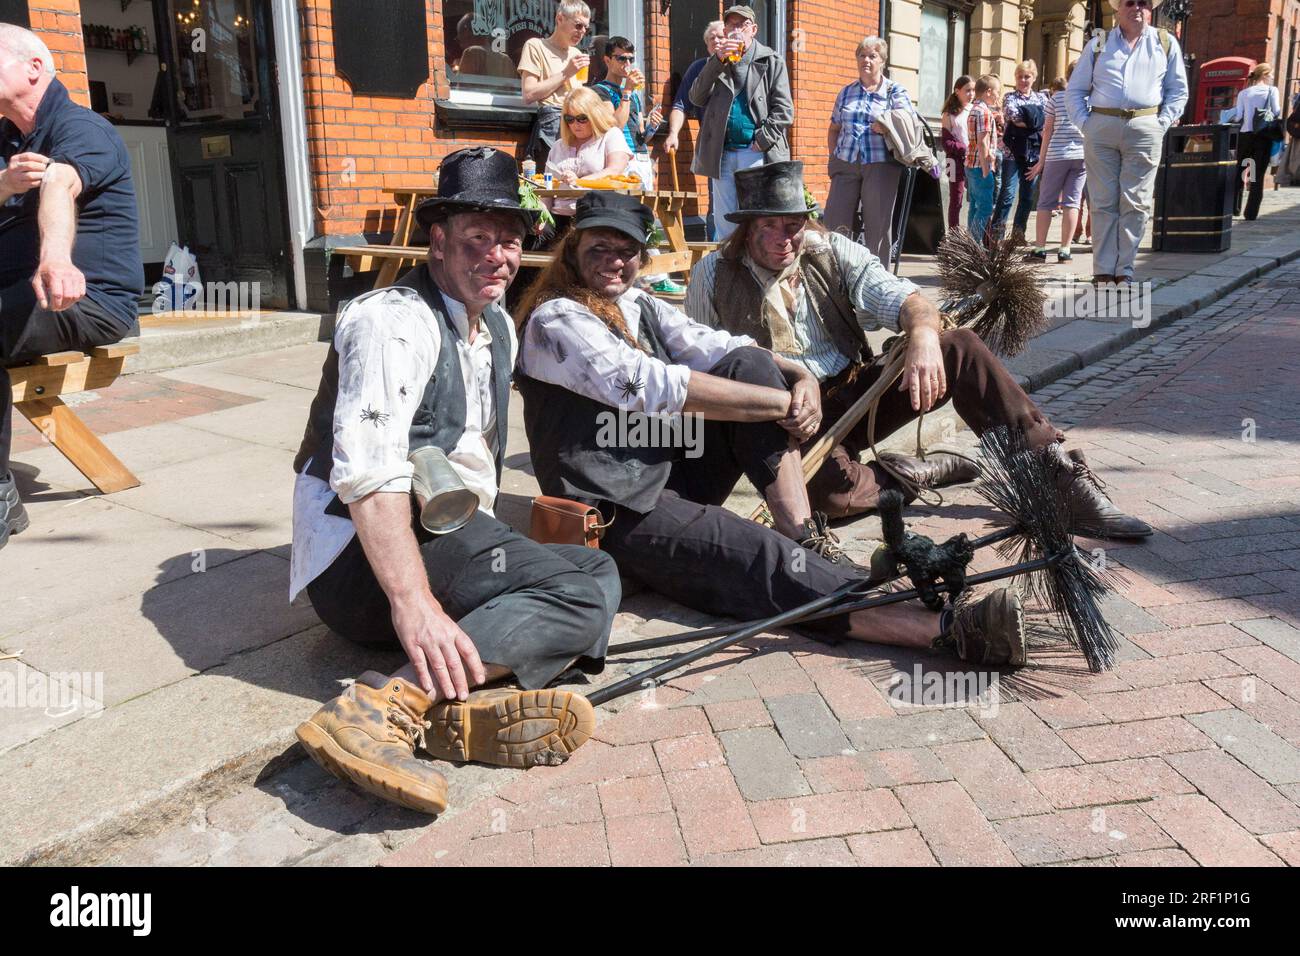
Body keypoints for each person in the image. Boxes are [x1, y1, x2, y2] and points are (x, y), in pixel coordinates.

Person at [515, 190, 1034, 669]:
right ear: (572, 248)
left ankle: (804, 535)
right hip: (613, 506)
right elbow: (651, 385)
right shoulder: (557, 318)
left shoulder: (638, 302)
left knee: (748, 363)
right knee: (757, 557)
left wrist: (797, 373)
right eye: (599, 247)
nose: (615, 260)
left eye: (627, 250)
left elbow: (714, 344)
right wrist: (781, 403)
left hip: (665, 468)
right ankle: (940, 628)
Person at [290, 148, 621, 816]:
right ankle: (381, 708)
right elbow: (369, 477)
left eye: (510, 240)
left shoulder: (496, 321)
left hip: (442, 529)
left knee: (599, 570)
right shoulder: (391, 320)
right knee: (575, 600)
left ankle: (453, 710)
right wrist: (413, 604)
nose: (497, 255)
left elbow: (472, 459)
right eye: (477, 238)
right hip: (360, 566)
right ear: (436, 240)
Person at [685, 161, 1152, 540]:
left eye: (795, 224)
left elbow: (907, 300)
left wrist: (925, 336)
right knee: (827, 498)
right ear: (746, 228)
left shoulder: (831, 252)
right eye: (772, 226)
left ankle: (1059, 479)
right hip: (782, 415)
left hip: (853, 395)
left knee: (958, 347)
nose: (787, 238)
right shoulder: (711, 275)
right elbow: (701, 367)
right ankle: (908, 474)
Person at [0, 25, 144, 549]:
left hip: (89, 302)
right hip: (27, 295)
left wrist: (56, 259)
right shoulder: (8, 140)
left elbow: (60, 183)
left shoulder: (82, 129)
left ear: (33, 68)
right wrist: (4, 184)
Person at [1066, 0, 1188, 284]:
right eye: (1130, 2)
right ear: (1118, 9)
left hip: (1146, 126)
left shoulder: (1164, 42)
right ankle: (1103, 269)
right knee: (1102, 200)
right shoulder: (1098, 43)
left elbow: (1178, 91)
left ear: (1151, 9)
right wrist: (1087, 124)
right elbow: (1075, 90)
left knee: (1137, 201)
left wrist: (1161, 124)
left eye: (1143, 3)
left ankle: (1125, 269)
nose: (1137, 8)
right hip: (1101, 125)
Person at [689, 4, 793, 241]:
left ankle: (755, 268)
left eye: (742, 25)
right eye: (731, 25)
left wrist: (762, 139)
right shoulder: (716, 61)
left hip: (755, 151)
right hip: (721, 152)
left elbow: (785, 110)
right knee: (724, 219)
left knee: (756, 216)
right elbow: (696, 97)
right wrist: (717, 61)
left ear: (753, 29)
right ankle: (728, 270)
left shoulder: (771, 60)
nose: (736, 30)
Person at [823, 36, 917, 263]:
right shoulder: (846, 92)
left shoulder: (895, 91)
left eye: (872, 56)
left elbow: (905, 119)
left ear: (882, 61)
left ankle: (877, 281)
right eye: (862, 55)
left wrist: (883, 122)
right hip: (846, 161)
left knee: (878, 225)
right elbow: (834, 128)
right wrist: (834, 155)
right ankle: (837, 272)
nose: (866, 60)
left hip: (880, 163)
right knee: (835, 222)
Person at [664, 21, 725, 240]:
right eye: (712, 38)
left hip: (745, 146)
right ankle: (715, 260)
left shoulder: (741, 65)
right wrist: (672, 133)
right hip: (714, 148)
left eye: (721, 36)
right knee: (716, 205)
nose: (716, 41)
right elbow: (681, 104)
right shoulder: (699, 68)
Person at [518, 1, 593, 166]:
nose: (582, 32)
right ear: (560, 19)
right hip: (553, 122)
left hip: (579, 123)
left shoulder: (576, 53)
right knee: (551, 184)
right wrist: (566, 73)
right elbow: (529, 94)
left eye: (586, 28)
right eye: (578, 25)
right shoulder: (536, 46)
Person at [1026, 66, 1087, 263]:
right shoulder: (1091, 100)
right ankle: (1065, 250)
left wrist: (1040, 161)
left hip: (1057, 154)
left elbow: (1047, 131)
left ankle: (1040, 249)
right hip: (1081, 155)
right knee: (1072, 202)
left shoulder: (1057, 98)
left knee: (1046, 202)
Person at [544, 87, 630, 218]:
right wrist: (542, 217)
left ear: (595, 115)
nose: (575, 124)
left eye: (582, 118)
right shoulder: (558, 146)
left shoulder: (611, 135)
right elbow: (547, 187)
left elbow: (615, 170)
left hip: (597, 213)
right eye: (569, 119)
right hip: (559, 214)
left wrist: (580, 182)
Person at [592, 36, 662, 190]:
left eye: (631, 59)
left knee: (645, 211)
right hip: (621, 159)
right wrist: (628, 90)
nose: (627, 64)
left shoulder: (634, 96)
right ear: (607, 60)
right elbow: (615, 127)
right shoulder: (599, 90)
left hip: (642, 158)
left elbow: (642, 135)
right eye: (621, 59)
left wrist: (652, 126)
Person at [991, 60, 1047, 247]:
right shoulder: (1009, 97)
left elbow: (1045, 121)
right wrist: (1034, 120)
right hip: (1011, 154)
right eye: (1020, 76)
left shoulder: (1042, 99)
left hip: (1033, 153)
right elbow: (1014, 117)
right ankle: (996, 236)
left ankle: (1018, 234)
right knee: (1007, 195)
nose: (1023, 80)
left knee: (1027, 197)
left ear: (1034, 78)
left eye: (1027, 76)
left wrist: (1031, 119)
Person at [1233, 63, 1281, 222]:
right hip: (1262, 136)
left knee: (1240, 172)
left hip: (1245, 136)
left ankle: (1234, 208)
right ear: (1265, 74)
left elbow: (1238, 116)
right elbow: (1276, 112)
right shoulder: (1272, 90)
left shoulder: (1244, 93)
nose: (1272, 77)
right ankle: (1250, 213)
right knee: (1257, 176)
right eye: (1271, 74)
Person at [966, 74, 1002, 247]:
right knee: (986, 207)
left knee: (974, 205)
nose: (998, 96)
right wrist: (987, 168)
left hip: (971, 165)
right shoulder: (985, 112)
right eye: (997, 92)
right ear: (988, 92)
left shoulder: (973, 110)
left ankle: (968, 244)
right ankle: (974, 244)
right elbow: (982, 142)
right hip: (981, 166)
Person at [940, 76, 974, 231]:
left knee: (975, 197)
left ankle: (975, 233)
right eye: (967, 90)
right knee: (956, 199)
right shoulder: (949, 114)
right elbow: (946, 143)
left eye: (973, 90)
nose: (971, 94)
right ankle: (954, 236)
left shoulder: (975, 110)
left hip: (974, 160)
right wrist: (964, 149)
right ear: (957, 91)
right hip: (954, 161)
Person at [454, 13, 514, 80]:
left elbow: (462, 86)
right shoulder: (506, 60)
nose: (461, 46)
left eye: (459, 40)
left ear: (467, 33)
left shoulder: (473, 52)